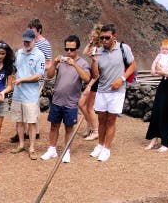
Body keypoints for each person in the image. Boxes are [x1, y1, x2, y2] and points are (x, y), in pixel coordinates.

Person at [41, 34, 91, 163]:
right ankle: (52, 149)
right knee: (54, 126)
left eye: (72, 49)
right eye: (67, 49)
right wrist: (54, 63)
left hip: (71, 102)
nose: (69, 52)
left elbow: (86, 78)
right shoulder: (61, 62)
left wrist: (74, 64)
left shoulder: (83, 63)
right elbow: (50, 75)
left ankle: (66, 151)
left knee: (69, 127)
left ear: (77, 49)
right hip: (57, 100)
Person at [89, 23, 135, 162]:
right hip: (102, 89)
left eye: (107, 37)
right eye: (102, 37)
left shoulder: (123, 48)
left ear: (114, 37)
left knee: (111, 120)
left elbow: (132, 65)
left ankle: (107, 149)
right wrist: (93, 61)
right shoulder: (98, 51)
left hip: (117, 90)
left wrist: (121, 79)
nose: (104, 40)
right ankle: (100, 145)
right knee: (101, 119)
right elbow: (96, 75)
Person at [10, 29, 46, 159]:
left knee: (31, 122)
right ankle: (21, 144)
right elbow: (15, 69)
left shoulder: (39, 55)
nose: (25, 43)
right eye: (24, 41)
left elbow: (38, 75)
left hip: (30, 95)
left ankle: (31, 148)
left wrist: (22, 80)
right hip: (18, 94)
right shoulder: (18, 53)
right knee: (19, 121)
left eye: (28, 41)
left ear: (34, 40)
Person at [79, 23, 103, 141]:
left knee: (89, 106)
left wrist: (90, 84)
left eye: (94, 36)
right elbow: (84, 53)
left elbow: (97, 70)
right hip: (93, 78)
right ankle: (90, 126)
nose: (91, 37)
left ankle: (95, 130)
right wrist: (90, 42)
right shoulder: (94, 47)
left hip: (95, 79)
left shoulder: (98, 50)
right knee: (82, 104)